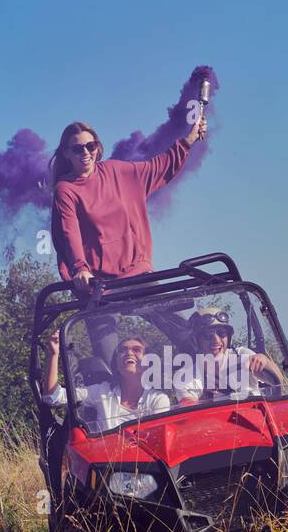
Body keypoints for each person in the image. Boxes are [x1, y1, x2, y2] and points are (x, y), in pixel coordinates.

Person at [47, 115, 207, 363]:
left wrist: (189, 139)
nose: (85, 153)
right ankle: (119, 397)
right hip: (99, 286)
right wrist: (80, 268)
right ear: (66, 154)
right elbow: (70, 230)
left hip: (136, 273)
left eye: (90, 146)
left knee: (185, 334)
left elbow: (159, 166)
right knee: (109, 356)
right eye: (77, 149)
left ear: (98, 147)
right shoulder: (66, 189)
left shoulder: (118, 171)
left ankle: (213, 381)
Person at [41, 332, 170, 432]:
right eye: (122, 350)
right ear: (116, 363)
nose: (128, 353)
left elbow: (157, 442)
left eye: (136, 350)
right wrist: (54, 354)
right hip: (104, 466)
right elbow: (53, 397)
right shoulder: (102, 392)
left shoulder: (158, 399)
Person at [174, 307, 285, 404]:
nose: (216, 340)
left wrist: (265, 361)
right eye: (208, 336)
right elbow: (191, 416)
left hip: (261, 422)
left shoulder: (242, 355)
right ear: (195, 341)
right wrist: (205, 398)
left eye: (222, 334)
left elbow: (280, 383)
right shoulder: (185, 377)